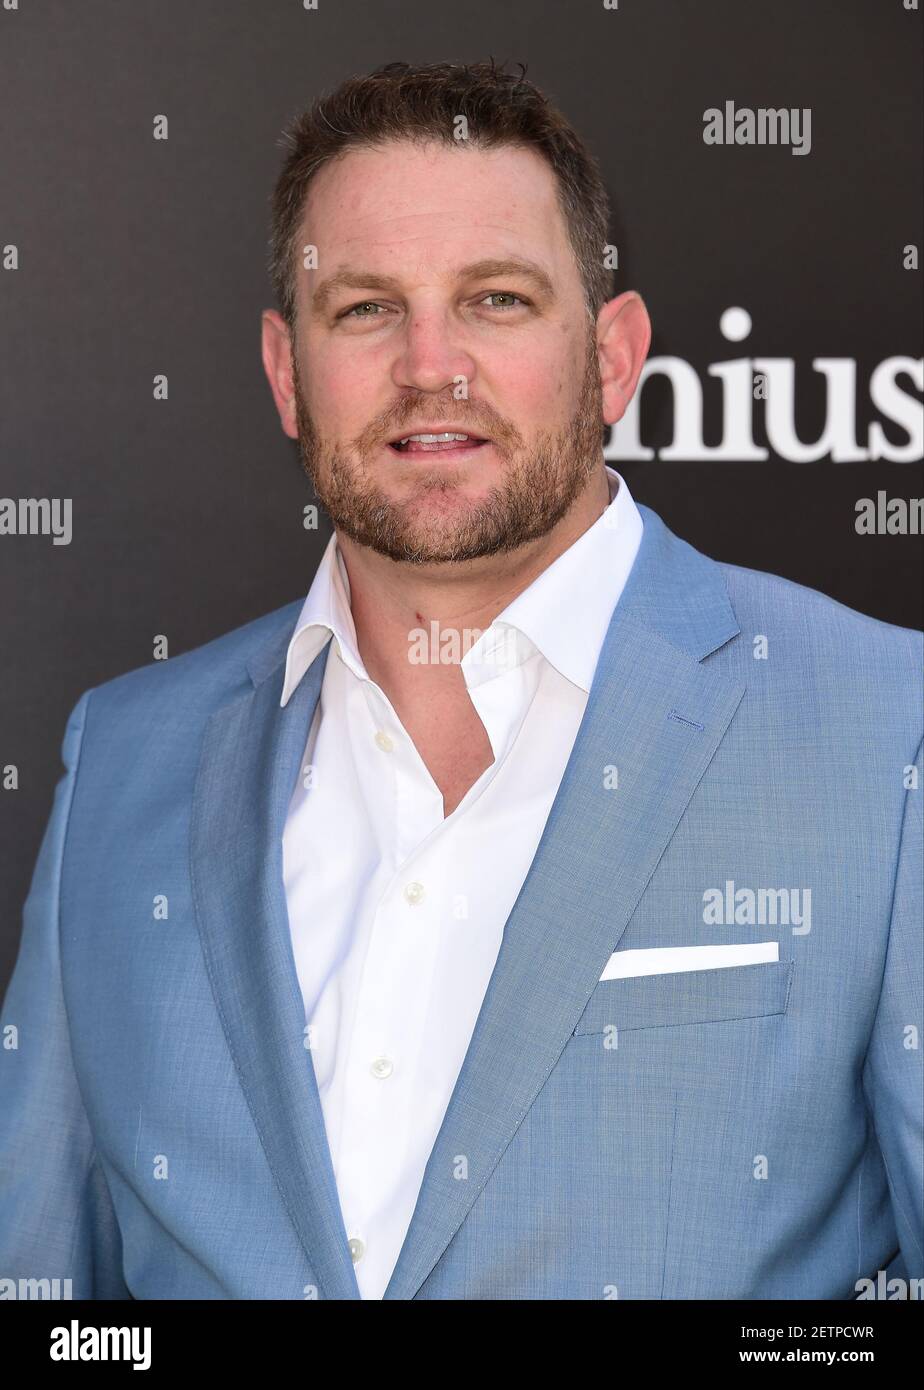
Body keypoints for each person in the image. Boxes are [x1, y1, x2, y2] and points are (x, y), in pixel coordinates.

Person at [1, 60, 921, 1301]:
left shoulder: (882, 734)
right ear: (285, 370)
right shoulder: (124, 755)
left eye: (495, 299)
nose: (432, 367)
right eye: (367, 308)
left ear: (612, 356)